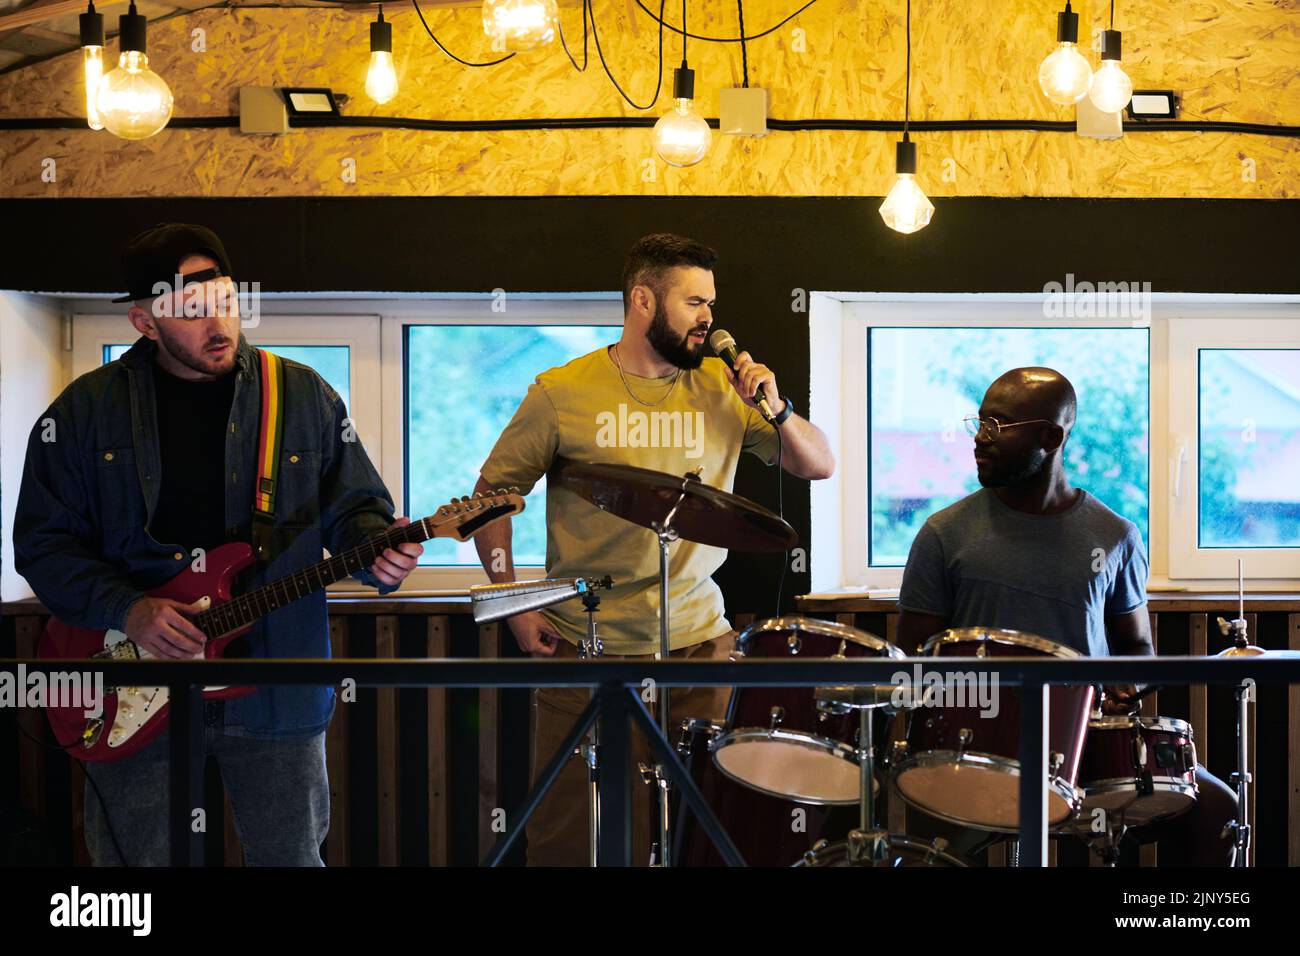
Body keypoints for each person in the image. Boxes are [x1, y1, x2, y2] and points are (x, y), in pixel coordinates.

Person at [14, 222, 422, 866]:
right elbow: (41, 545)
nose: (220, 325)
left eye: (228, 303)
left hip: (275, 681)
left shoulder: (304, 396)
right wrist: (129, 610)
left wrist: (381, 550)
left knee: (290, 861)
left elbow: (359, 511)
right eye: (194, 311)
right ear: (145, 322)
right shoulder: (82, 413)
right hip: (129, 685)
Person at [471, 233, 835, 865]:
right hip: (584, 650)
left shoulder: (725, 391)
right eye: (694, 302)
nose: (709, 318)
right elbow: (490, 500)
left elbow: (818, 465)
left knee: (708, 834)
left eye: (711, 303)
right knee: (568, 838)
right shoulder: (562, 391)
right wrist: (511, 603)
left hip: (700, 649)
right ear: (643, 300)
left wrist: (776, 411)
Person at [896, 366, 1237, 865]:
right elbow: (913, 657)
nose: (979, 440)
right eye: (979, 423)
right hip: (977, 751)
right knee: (936, 850)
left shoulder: (1114, 534)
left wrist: (1130, 682)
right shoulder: (944, 533)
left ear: (1050, 437)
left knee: (1216, 810)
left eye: (997, 425)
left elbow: (1138, 648)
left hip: (1086, 750)